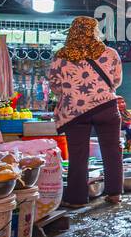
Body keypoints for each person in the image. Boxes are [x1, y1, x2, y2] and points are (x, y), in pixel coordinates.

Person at [46, 16, 124, 207]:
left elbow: (55, 86)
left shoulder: (61, 56)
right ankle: (114, 193)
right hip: (106, 106)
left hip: (75, 111)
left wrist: (73, 91)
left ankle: (76, 199)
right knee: (112, 151)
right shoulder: (110, 53)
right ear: (94, 31)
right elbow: (116, 81)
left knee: (78, 155)